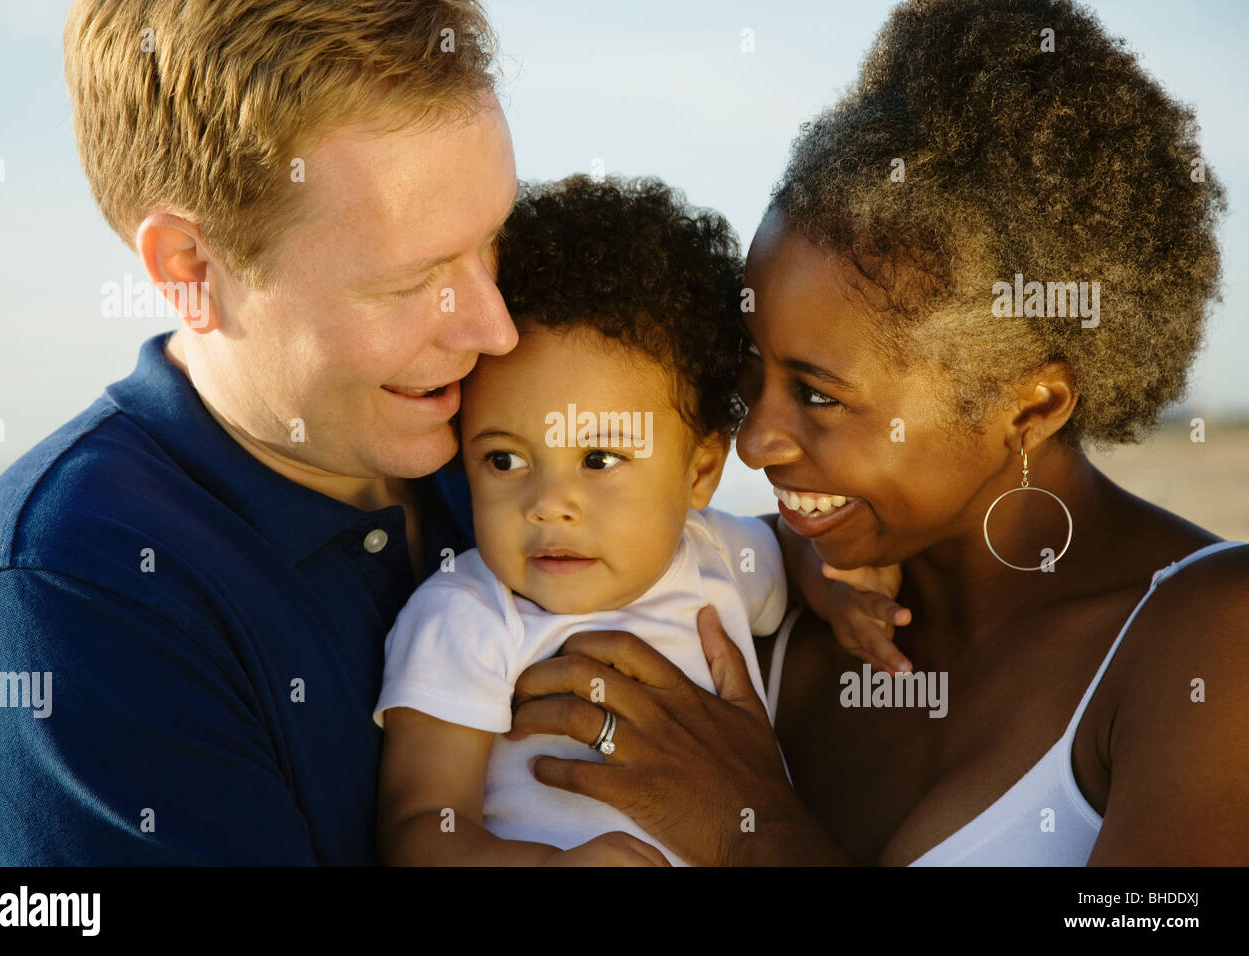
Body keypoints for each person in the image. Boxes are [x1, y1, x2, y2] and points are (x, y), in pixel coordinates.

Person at [502, 0, 1249, 865]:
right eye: (752, 370)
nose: (755, 443)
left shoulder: (1208, 643)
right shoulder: (755, 610)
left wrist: (758, 830)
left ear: (1031, 407)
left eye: (817, 396)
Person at [0, 0, 518, 865]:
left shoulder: (519, 435)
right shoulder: (69, 589)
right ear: (190, 270)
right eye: (411, 283)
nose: (496, 329)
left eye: (494, 242)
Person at [376, 176, 907, 866]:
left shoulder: (713, 552)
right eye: (505, 460)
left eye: (599, 458)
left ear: (700, 472)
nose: (548, 503)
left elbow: (789, 549)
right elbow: (420, 828)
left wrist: (838, 593)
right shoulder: (466, 614)